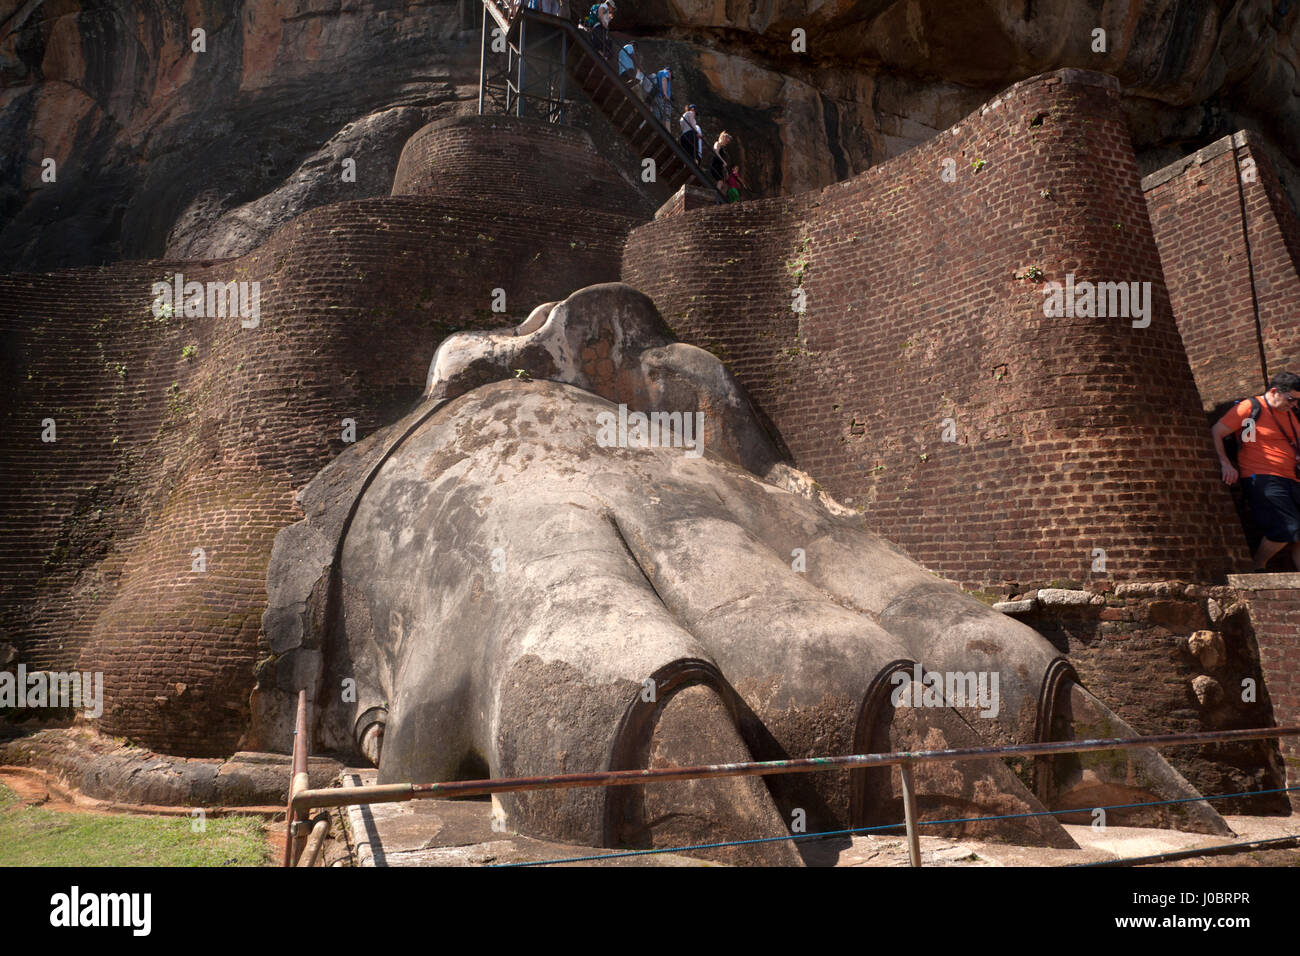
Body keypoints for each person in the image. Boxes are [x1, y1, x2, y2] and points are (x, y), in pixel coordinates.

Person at [1212, 371, 1300, 570]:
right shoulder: (1251, 408)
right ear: (1275, 391)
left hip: (1293, 478)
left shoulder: (1291, 413)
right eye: (1291, 399)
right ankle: (1257, 564)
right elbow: (1218, 431)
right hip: (1262, 477)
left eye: (1297, 401)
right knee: (1287, 527)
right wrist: (1225, 462)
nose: (1294, 404)